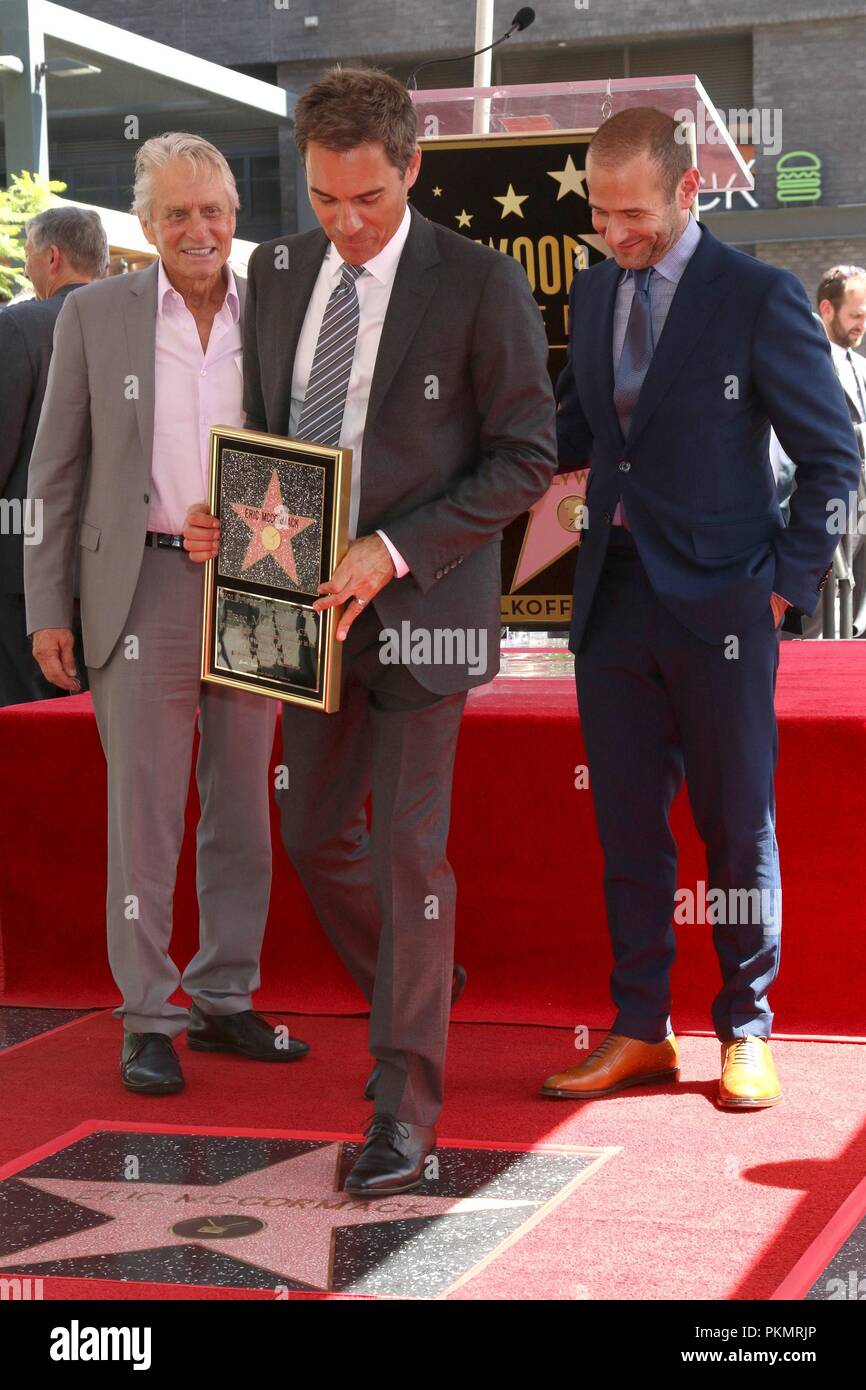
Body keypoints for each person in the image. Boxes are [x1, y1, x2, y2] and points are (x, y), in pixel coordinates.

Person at [185, 67, 557, 1195]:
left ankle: (404, 1110)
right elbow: (266, 424)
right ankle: (420, 984)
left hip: (420, 615)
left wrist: (390, 551)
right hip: (293, 611)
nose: (344, 226)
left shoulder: (482, 284)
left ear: (412, 169)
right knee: (311, 839)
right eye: (323, 199)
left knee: (404, 856)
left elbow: (525, 459)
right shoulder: (282, 268)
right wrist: (226, 514)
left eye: (368, 202)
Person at [544, 108, 861, 1110]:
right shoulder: (591, 292)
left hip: (723, 601)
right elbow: (568, 434)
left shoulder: (757, 296)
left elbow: (833, 459)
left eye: (631, 211)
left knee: (735, 824)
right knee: (627, 828)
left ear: (688, 191)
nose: (612, 233)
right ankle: (639, 1028)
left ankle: (746, 1025)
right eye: (597, 212)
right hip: (612, 596)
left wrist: (780, 584)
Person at [25, 133, 304, 1097]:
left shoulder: (277, 303)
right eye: (177, 213)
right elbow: (54, 470)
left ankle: (226, 998)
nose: (199, 228)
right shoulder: (95, 315)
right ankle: (148, 1016)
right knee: (143, 815)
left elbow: (307, 444)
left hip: (258, 580)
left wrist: (250, 524)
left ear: (237, 217)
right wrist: (43, 606)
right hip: (135, 585)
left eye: (214, 210)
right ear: (144, 227)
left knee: (240, 806)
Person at [0, 207, 108, 706]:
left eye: (27, 255)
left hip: (23, 564)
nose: (24, 269)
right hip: (123, 570)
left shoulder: (19, 327)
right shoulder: (140, 328)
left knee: (28, 729)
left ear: (53, 257)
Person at [775, 265, 866, 636]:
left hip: (860, 501)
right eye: (856, 315)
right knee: (821, 601)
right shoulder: (806, 360)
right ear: (827, 310)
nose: (862, 324)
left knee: (853, 593)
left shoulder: (860, 364)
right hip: (822, 497)